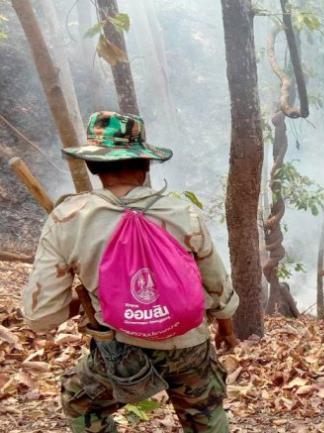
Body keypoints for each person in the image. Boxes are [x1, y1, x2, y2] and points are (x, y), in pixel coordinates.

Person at [22, 112, 239, 433]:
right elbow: (217, 284)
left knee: (79, 401)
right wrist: (226, 328)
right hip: (188, 345)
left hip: (120, 351)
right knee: (206, 412)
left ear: (93, 166)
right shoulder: (182, 212)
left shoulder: (67, 219)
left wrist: (88, 301)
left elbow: (41, 316)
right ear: (147, 165)